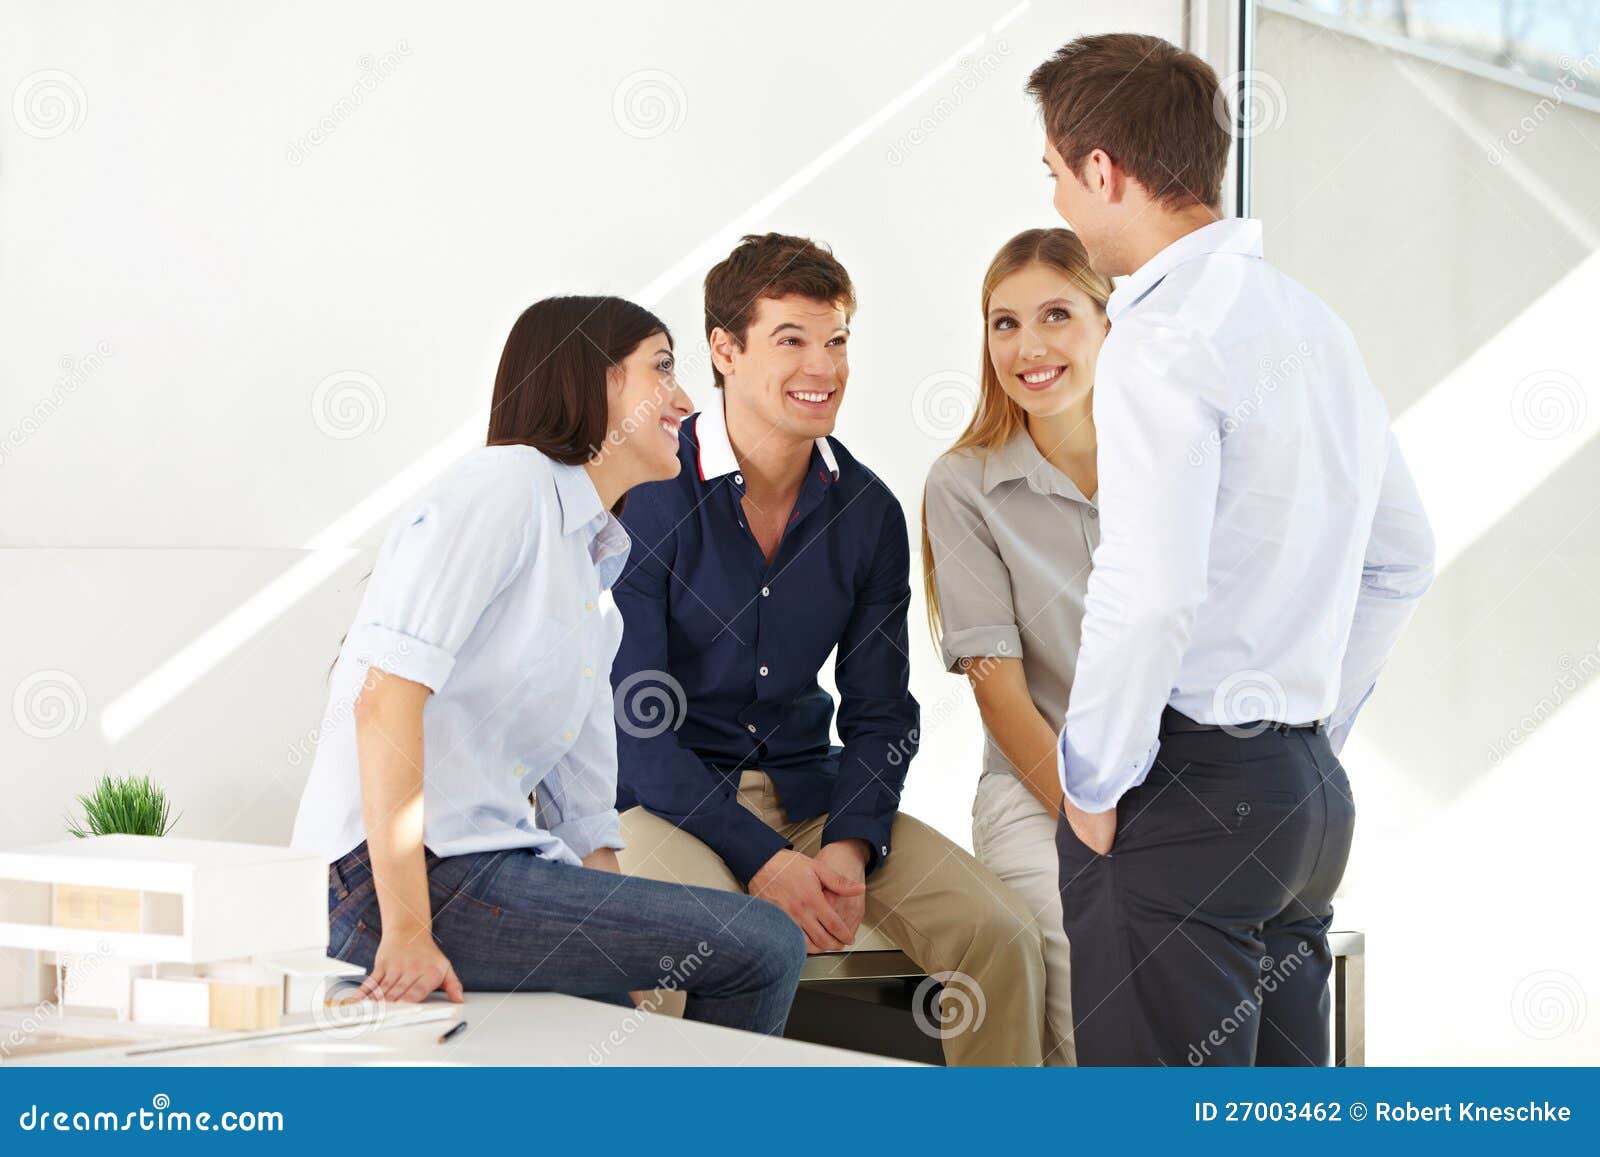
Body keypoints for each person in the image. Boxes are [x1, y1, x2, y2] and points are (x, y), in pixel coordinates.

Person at [1026, 34, 1434, 1065]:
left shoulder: (1159, 341)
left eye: (1058, 177)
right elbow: (1403, 555)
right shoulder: (1312, 325)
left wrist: (1091, 779)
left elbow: (1150, 585)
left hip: (1186, 796)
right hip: (1302, 805)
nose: (1064, 209)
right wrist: (1305, 729)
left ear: (1102, 170)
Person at [290, 296, 806, 1035]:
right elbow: (384, 702)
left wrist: (620, 974)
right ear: (594, 382)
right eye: (662, 368)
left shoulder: (596, 591)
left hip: (491, 871)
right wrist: (407, 927)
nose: (689, 401)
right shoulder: (507, 486)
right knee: (763, 943)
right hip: (394, 882)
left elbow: (586, 816)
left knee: (636, 1036)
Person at [610, 232, 1047, 1066]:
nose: (824, 366)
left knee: (1003, 935)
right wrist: (765, 862)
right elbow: (637, 733)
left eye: (837, 340)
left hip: (815, 801)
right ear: (725, 350)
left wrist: (847, 849)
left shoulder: (869, 513)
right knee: (670, 954)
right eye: (792, 340)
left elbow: (883, 713)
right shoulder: (650, 496)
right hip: (668, 806)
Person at [922, 227, 1112, 1065]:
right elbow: (1000, 695)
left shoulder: (1176, 464)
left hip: (1174, 788)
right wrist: (1096, 827)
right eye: (1004, 323)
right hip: (1041, 796)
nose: (1026, 346)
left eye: (1056, 315)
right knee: (1090, 963)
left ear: (1112, 324)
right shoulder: (963, 484)